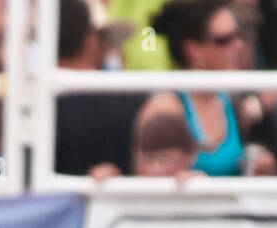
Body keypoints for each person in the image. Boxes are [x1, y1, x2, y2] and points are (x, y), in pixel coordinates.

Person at [135, 0, 246, 177]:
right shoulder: (165, 108)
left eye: (239, 35)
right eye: (224, 40)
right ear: (193, 50)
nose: (239, 46)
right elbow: (148, 183)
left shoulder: (229, 99)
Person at [54, 0, 145, 176]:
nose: (107, 47)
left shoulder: (30, 100)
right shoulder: (130, 99)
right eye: (104, 38)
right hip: (117, 200)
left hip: (50, 201)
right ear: (90, 39)